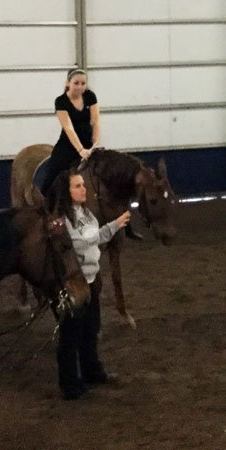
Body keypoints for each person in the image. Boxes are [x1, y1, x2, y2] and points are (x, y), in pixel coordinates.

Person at [46, 171, 130, 400]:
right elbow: (80, 242)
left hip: (91, 281)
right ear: (67, 191)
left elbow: (96, 236)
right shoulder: (61, 221)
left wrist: (114, 226)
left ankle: (92, 371)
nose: (84, 189)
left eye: (83, 185)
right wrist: (110, 227)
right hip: (74, 284)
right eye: (77, 186)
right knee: (70, 335)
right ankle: (70, 383)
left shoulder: (87, 215)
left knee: (90, 329)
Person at [40, 68, 101, 201]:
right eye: (76, 83)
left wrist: (95, 144)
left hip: (88, 144)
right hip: (68, 146)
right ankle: (48, 206)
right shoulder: (61, 101)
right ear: (68, 83)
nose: (80, 87)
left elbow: (96, 121)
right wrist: (80, 150)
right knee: (52, 176)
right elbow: (68, 128)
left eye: (83, 83)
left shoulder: (90, 96)